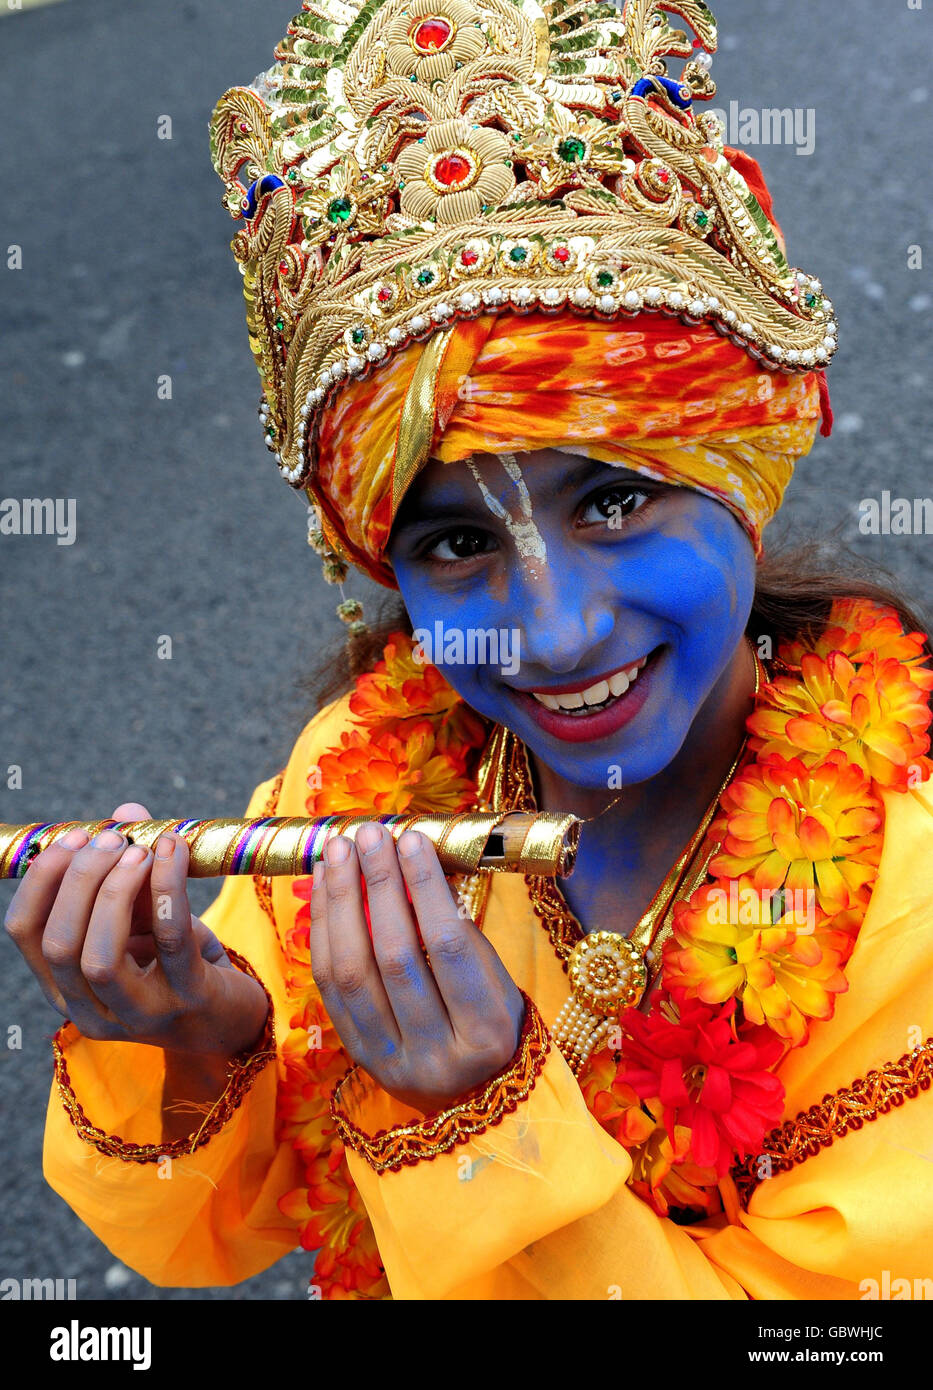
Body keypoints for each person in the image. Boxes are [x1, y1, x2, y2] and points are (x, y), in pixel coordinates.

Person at [7, 0, 933, 1300]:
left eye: (614, 500)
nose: (552, 629)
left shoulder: (908, 911)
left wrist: (482, 1122)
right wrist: (201, 1036)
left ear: (740, 463)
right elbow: (218, 1226)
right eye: (453, 544)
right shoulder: (357, 776)